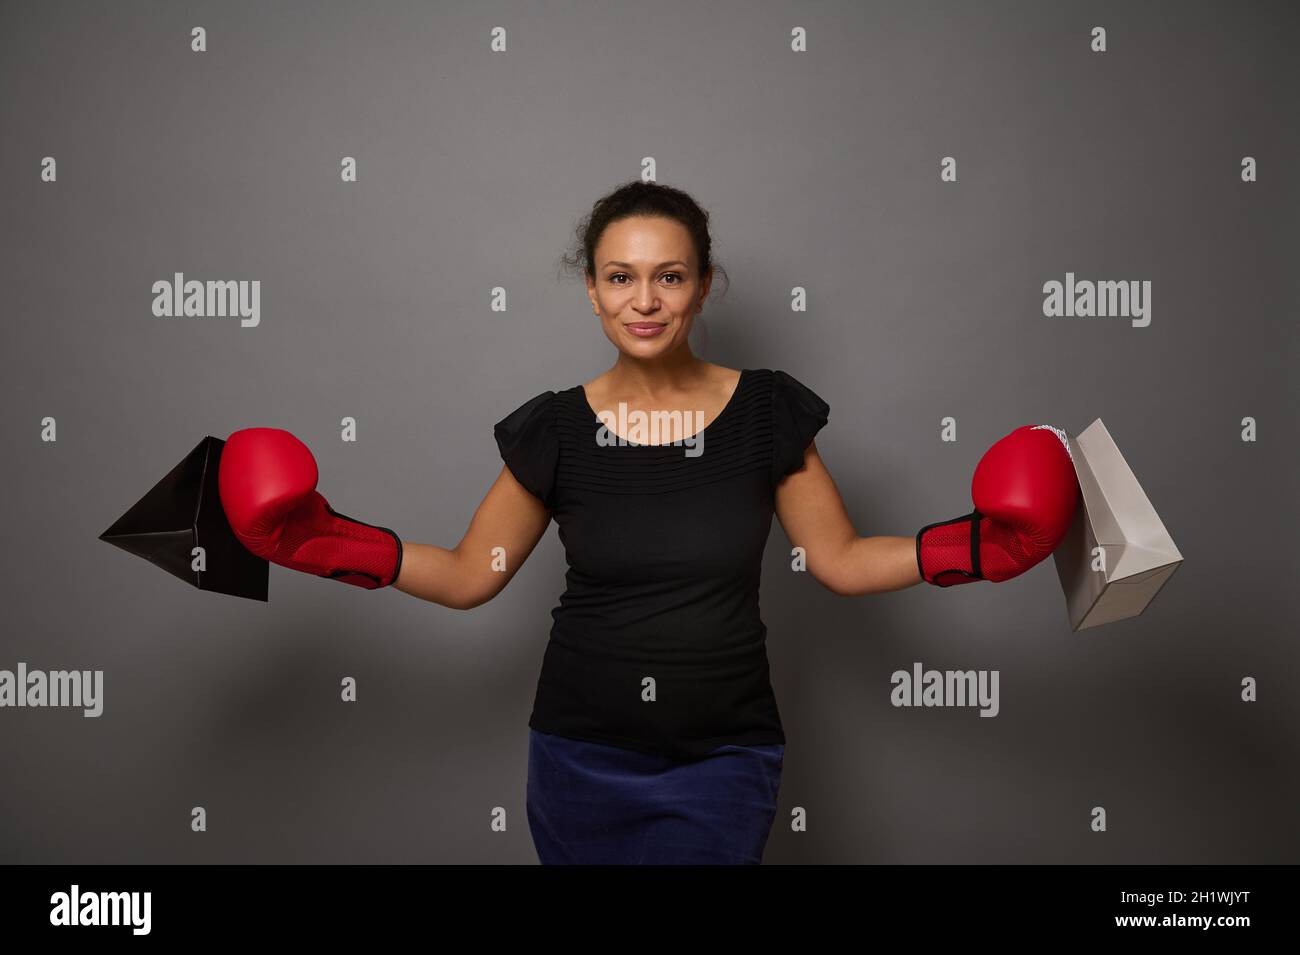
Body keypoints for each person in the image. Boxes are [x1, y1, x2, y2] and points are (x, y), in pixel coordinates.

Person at [217, 180, 1079, 865]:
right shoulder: (554, 428)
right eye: (621, 277)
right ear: (590, 290)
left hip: (723, 755)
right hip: (579, 755)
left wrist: (986, 546)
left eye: (669, 275)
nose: (645, 300)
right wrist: (315, 540)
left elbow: (843, 560)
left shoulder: (767, 411)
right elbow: (468, 574)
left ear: (703, 285)